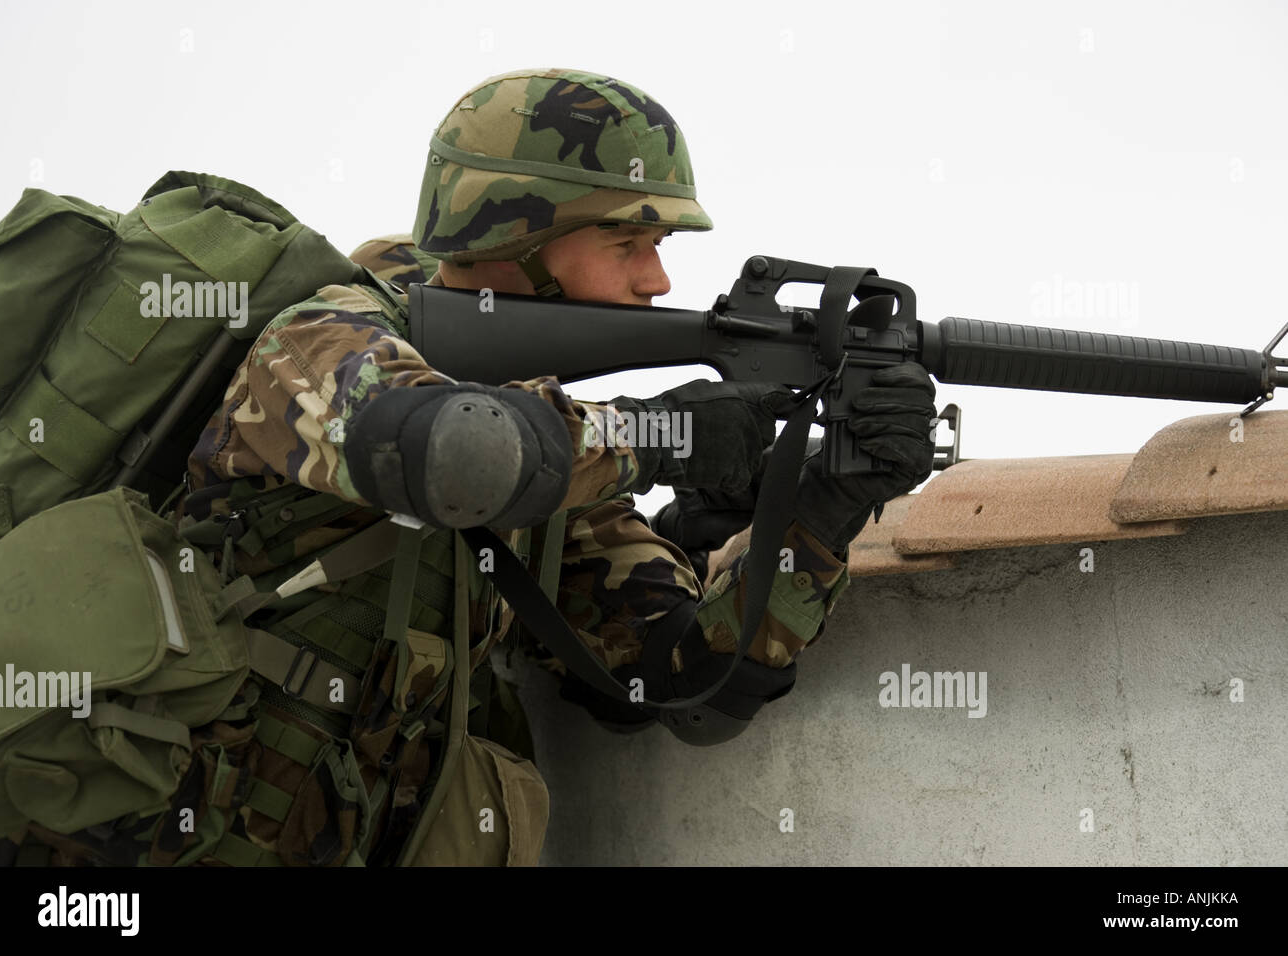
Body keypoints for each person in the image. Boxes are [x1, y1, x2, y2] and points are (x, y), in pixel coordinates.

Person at [176, 67, 938, 865]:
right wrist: (665, 436)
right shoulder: (320, 343)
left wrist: (821, 507)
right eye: (627, 244)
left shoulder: (553, 456)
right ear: (516, 239)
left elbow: (683, 682)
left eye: (659, 246)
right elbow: (460, 458)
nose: (660, 279)